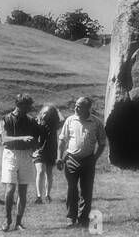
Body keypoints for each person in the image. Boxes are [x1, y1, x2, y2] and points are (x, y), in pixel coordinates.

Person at [57, 96, 107, 228]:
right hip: (71, 159)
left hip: (88, 161)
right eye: (75, 105)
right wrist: (59, 157)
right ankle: (71, 218)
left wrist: (94, 158)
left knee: (86, 191)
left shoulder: (96, 123)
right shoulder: (70, 120)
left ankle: (83, 219)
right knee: (71, 189)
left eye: (79, 106)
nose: (76, 108)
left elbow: (102, 143)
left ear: (87, 108)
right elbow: (62, 140)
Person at [0, 94, 42, 232]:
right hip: (11, 154)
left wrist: (36, 147)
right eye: (27, 106)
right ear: (19, 105)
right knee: (10, 189)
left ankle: (18, 222)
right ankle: (7, 219)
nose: (29, 109)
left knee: (23, 192)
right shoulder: (5, 119)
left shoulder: (31, 120)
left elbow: (36, 139)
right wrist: (23, 138)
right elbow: (4, 139)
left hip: (26, 155)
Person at [33, 104, 62, 203]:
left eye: (48, 113)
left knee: (49, 172)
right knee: (40, 171)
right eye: (44, 112)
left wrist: (57, 110)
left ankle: (47, 195)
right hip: (39, 150)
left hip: (51, 150)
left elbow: (62, 120)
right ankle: (38, 196)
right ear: (41, 113)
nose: (45, 115)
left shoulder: (55, 124)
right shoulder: (36, 122)